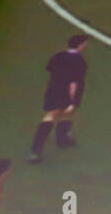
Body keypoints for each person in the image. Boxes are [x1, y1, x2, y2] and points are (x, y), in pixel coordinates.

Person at [28, 34, 88, 163]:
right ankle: (62, 139)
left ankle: (35, 151)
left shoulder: (57, 57)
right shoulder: (80, 61)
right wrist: (72, 100)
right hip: (66, 92)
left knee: (49, 116)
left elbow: (50, 70)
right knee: (68, 113)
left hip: (52, 90)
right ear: (81, 45)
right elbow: (74, 83)